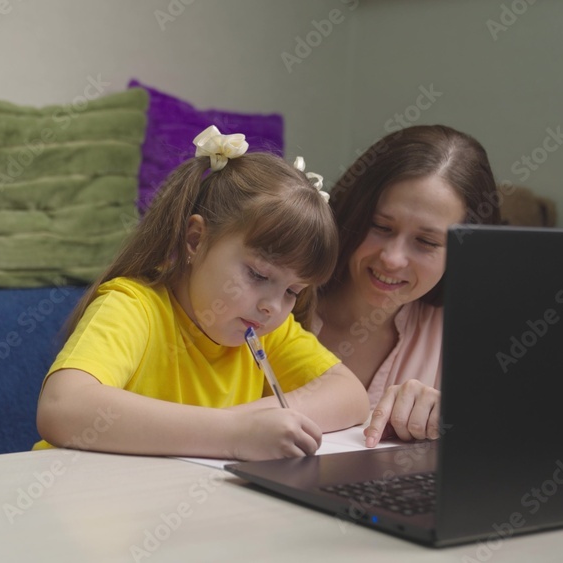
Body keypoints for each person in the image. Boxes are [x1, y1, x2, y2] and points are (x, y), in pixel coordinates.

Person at [35, 126, 370, 461]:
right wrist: (235, 433)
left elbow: (351, 396)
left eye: (293, 291)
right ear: (195, 239)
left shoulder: (266, 328)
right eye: (258, 274)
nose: (273, 306)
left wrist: (251, 421)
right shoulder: (133, 307)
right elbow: (62, 408)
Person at [315, 125, 501, 448]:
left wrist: (452, 418)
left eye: (426, 242)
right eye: (380, 226)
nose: (392, 258)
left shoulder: (467, 336)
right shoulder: (275, 304)